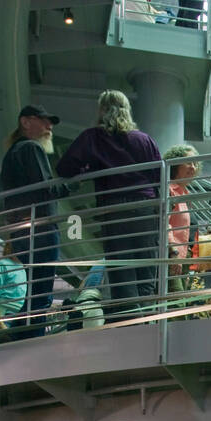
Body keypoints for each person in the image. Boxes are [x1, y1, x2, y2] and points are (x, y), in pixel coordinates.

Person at [56, 90, 162, 310]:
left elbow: (64, 168)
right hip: (145, 207)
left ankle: (129, 321)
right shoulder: (145, 140)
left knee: (122, 273)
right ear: (127, 110)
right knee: (146, 268)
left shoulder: (93, 137)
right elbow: (159, 176)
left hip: (114, 209)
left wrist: (89, 169)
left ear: (103, 110)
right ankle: (147, 321)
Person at [0, 103, 67, 337]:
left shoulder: (13, 152)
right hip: (40, 229)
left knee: (34, 293)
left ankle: (15, 337)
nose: (49, 126)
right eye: (43, 120)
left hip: (22, 230)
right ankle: (29, 343)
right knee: (41, 295)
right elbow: (45, 188)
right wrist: (71, 184)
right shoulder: (30, 148)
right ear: (25, 122)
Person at [163, 144, 200, 293]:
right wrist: (173, 252)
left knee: (180, 300)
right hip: (171, 254)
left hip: (182, 256)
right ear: (175, 164)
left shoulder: (184, 194)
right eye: (188, 162)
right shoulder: (169, 190)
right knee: (177, 301)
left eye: (195, 163)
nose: (193, 167)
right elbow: (164, 223)